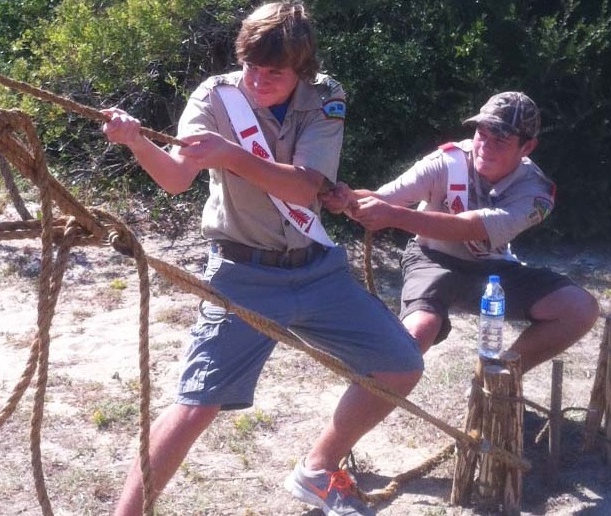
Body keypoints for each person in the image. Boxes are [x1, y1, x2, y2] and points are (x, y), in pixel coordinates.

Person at [100, 2, 423, 515]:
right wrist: (137, 142)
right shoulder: (215, 96)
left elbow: (301, 191)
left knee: (401, 365)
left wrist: (230, 154)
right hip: (241, 274)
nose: (259, 80)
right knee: (196, 406)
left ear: (303, 69)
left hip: (317, 270)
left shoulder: (326, 96)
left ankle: (317, 468)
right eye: (251, 67)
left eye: (275, 72)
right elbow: (176, 178)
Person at [321, 92, 600, 374]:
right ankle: (375, 384)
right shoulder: (447, 162)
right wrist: (347, 200)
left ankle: (496, 381)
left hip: (493, 269)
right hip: (431, 260)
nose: (485, 147)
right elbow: (384, 199)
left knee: (578, 308)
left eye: (500, 139)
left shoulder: (536, 193)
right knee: (417, 334)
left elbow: (469, 227)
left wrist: (393, 217)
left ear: (527, 147)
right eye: (482, 134)